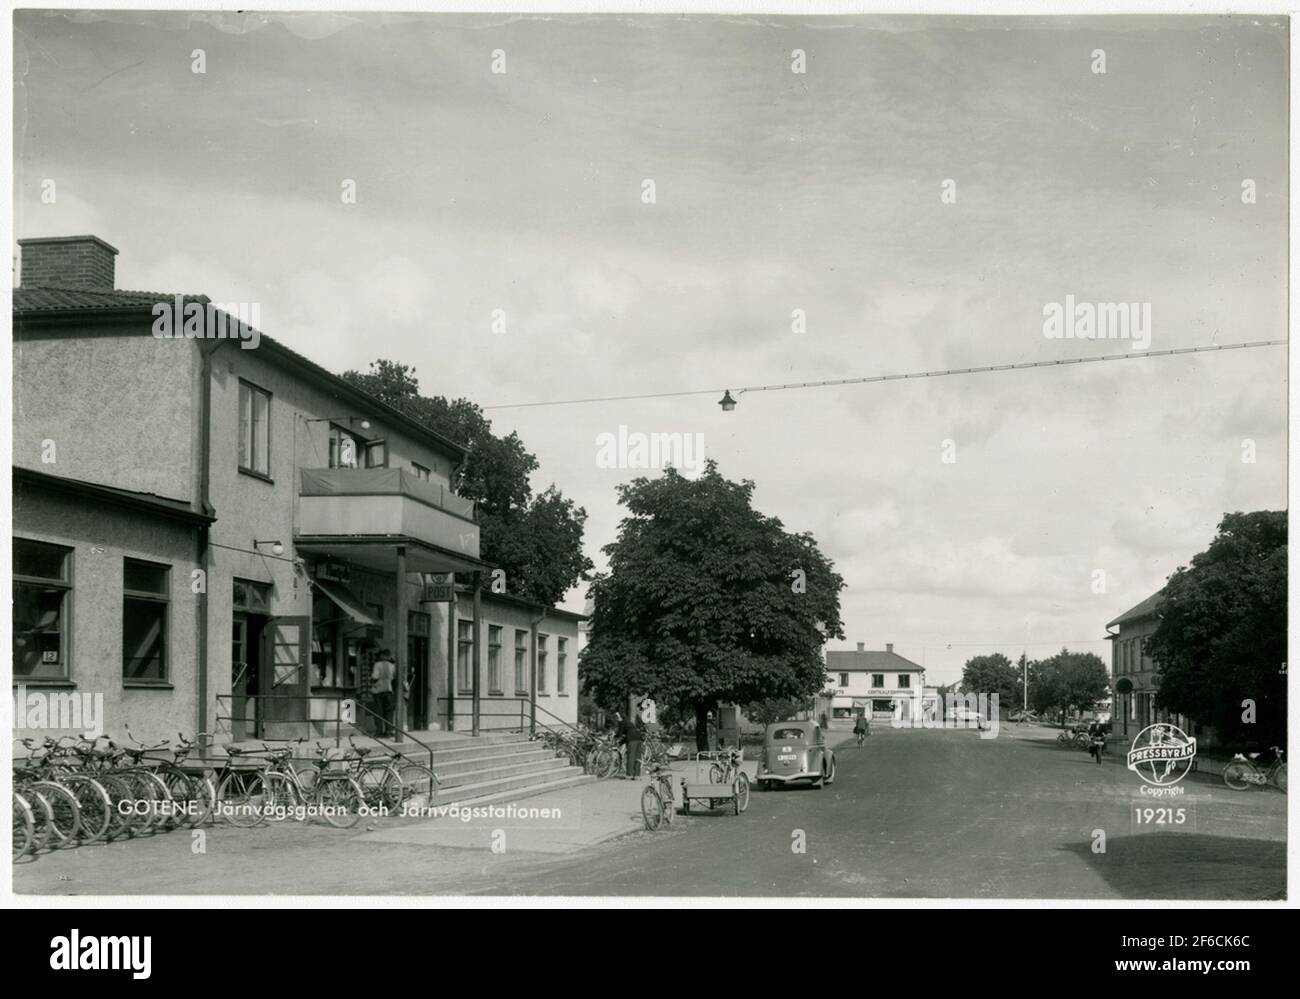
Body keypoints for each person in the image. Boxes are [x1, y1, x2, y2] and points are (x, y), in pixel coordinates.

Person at [370, 649, 396, 737]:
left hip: (378, 690)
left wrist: (372, 681)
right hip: (389, 690)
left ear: (382, 656)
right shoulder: (392, 666)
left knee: (378, 712)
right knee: (388, 712)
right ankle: (389, 731)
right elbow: (394, 677)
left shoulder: (377, 665)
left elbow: (375, 676)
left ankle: (379, 732)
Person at [618, 711, 643, 779]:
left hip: (632, 740)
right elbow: (627, 735)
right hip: (639, 738)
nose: (617, 718)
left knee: (631, 757)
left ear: (620, 717)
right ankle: (637, 775)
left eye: (618, 716)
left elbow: (620, 734)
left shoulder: (622, 722)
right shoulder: (629, 722)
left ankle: (629, 775)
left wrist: (616, 739)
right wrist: (621, 742)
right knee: (637, 757)